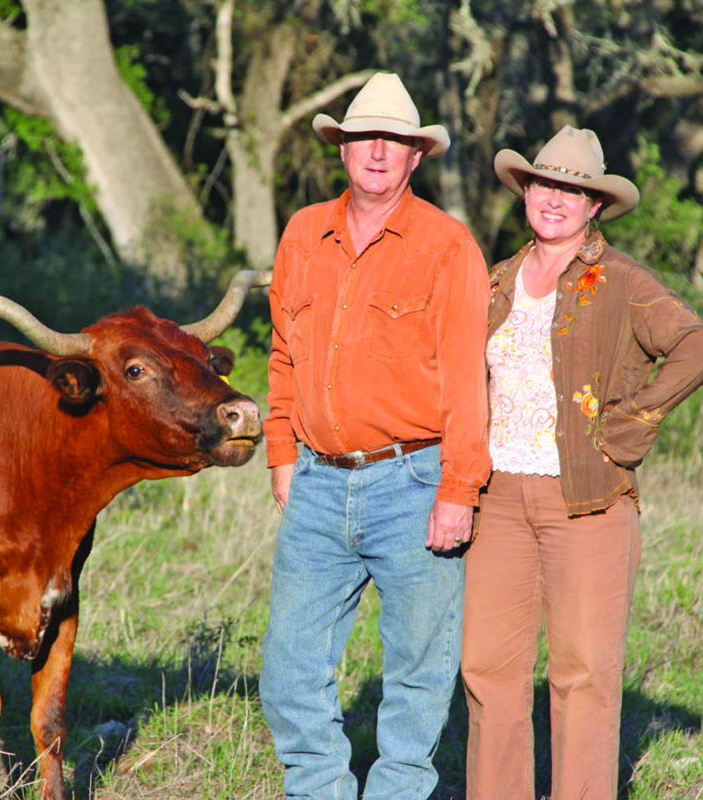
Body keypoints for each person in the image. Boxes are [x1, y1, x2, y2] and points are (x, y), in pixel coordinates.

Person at [460, 126, 703, 799]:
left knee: (582, 676)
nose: (554, 199)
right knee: (488, 670)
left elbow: (698, 346)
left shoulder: (623, 282)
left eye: (571, 190)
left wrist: (628, 425)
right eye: (544, 183)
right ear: (526, 189)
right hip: (498, 500)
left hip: (588, 502)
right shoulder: (496, 281)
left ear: (593, 205)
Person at [259, 72, 491, 800]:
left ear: (417, 156)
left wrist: (458, 491)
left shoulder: (448, 247)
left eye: (394, 140)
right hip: (318, 481)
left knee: (417, 671)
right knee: (291, 664)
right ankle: (318, 788)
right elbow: (281, 351)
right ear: (343, 148)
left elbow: (464, 383)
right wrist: (281, 451)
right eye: (365, 137)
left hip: (414, 480)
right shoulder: (303, 233)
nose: (378, 151)